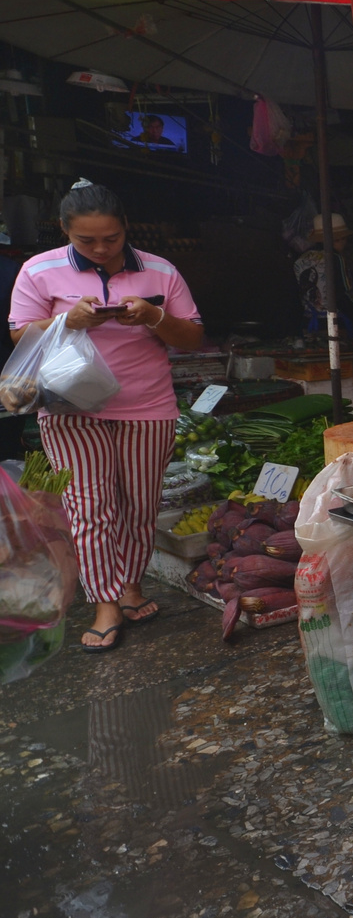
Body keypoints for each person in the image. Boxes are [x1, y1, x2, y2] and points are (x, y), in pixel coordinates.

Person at [7, 179, 206, 652]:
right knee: (89, 507)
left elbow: (194, 338)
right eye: (86, 240)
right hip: (69, 408)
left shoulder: (160, 271)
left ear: (126, 229)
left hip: (148, 407)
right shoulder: (39, 270)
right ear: (65, 231)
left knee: (139, 505)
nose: (100, 249)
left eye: (111, 239)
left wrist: (154, 317)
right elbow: (19, 336)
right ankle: (105, 603)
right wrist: (63, 321)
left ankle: (131, 584)